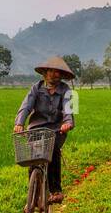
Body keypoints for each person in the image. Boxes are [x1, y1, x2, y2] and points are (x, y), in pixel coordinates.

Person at [12, 56, 76, 202]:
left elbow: (69, 111)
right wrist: (19, 123)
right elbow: (25, 106)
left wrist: (67, 123)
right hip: (36, 129)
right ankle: (33, 197)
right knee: (33, 159)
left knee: (53, 151)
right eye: (52, 71)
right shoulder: (36, 88)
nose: (55, 75)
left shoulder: (67, 91)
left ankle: (56, 190)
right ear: (45, 73)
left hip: (57, 130)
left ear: (62, 75)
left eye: (58, 72)